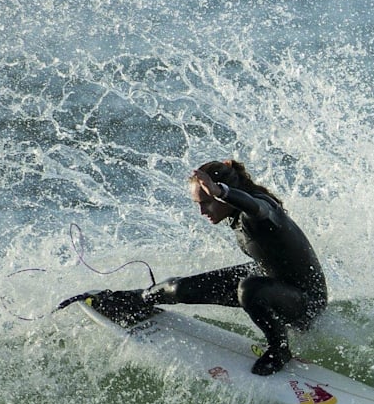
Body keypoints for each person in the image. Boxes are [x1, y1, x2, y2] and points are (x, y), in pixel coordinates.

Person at [61, 159, 327, 376]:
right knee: (179, 287)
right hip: (271, 281)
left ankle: (280, 349)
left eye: (206, 202)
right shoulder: (236, 216)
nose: (203, 211)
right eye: (199, 204)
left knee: (249, 288)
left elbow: (256, 207)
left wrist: (222, 192)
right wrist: (220, 196)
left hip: (305, 302)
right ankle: (136, 299)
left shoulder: (260, 210)